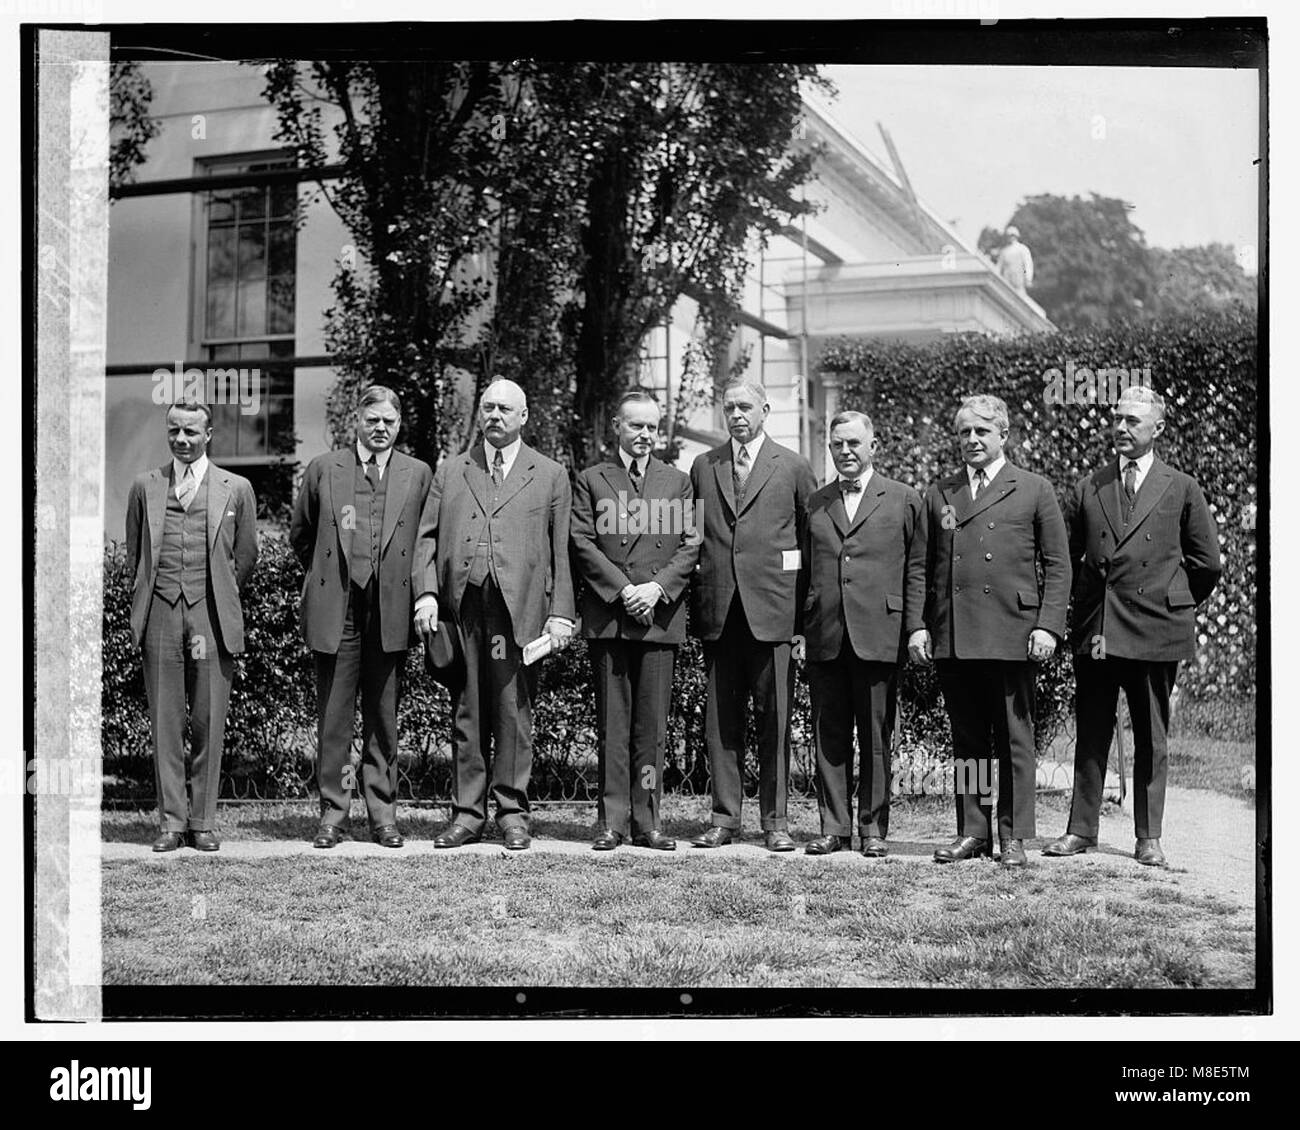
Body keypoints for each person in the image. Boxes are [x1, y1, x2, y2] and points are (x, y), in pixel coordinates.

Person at [1043, 387, 1221, 867]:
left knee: (1151, 735)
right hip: (1098, 630)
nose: (1121, 428)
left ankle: (1148, 836)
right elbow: (1070, 557)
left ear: (1157, 429)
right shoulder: (1089, 487)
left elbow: (1207, 563)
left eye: (1133, 422)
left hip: (1155, 630)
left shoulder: (1181, 487)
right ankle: (1081, 830)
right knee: (1092, 731)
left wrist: (1170, 602)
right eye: (1117, 418)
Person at [414, 378, 575, 851]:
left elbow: (562, 552)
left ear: (524, 416)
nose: (495, 416)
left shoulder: (549, 474)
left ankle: (512, 814)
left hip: (519, 611)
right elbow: (425, 538)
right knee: (467, 713)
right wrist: (426, 595)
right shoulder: (452, 470)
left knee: (512, 715)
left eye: (505, 409)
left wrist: (561, 614)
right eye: (488, 408)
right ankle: (467, 815)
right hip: (463, 608)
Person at [908, 394, 1070, 867]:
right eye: (964, 433)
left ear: (1003, 434)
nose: (972, 440)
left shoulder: (1033, 488)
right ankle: (973, 832)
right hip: (955, 634)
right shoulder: (940, 494)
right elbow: (922, 566)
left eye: (982, 431)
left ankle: (1014, 836)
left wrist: (1048, 627)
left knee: (1015, 737)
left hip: (1013, 632)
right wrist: (918, 627)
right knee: (969, 740)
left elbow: (1058, 565)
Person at [290, 385, 433, 850]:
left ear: (399, 424)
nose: (380, 429)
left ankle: (382, 815)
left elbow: (427, 539)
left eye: (389, 421)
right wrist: (328, 579)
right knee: (334, 717)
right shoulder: (323, 469)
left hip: (390, 608)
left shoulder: (418, 473)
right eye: (372, 420)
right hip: (339, 608)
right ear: (357, 419)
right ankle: (333, 813)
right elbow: (302, 535)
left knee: (383, 716)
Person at [125, 399, 258, 852]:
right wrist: (153, 596)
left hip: (211, 613)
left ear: (209, 435)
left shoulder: (236, 488)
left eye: (191, 432)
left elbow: (246, 556)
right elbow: (135, 555)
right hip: (161, 610)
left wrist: (214, 591)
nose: (182, 440)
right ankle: (170, 823)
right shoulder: (146, 485)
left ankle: (202, 821)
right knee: (165, 720)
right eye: (174, 431)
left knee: (207, 718)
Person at [570, 391, 701, 851]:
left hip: (658, 619)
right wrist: (624, 589)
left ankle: (647, 820)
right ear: (617, 426)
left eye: (651, 427)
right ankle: (611, 821)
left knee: (651, 727)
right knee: (613, 725)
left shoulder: (678, 482)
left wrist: (656, 589)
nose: (644, 435)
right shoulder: (591, 479)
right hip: (611, 617)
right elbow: (582, 541)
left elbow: (691, 545)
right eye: (635, 426)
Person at [689, 379, 816, 851]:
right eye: (729, 407)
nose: (736, 414)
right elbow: (691, 535)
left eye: (745, 406)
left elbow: (809, 541)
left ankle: (776, 822)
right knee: (721, 722)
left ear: (765, 410)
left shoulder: (795, 467)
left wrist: (802, 620)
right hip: (720, 611)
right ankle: (724, 818)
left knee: (775, 719)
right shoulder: (704, 465)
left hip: (774, 613)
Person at [801, 411, 926, 857]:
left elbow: (916, 568)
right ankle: (834, 827)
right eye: (838, 445)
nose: (846, 452)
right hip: (825, 633)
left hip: (880, 632)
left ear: (874, 446)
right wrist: (802, 628)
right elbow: (803, 569)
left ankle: (872, 829)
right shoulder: (815, 502)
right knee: (828, 735)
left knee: (875, 736)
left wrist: (915, 627)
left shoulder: (904, 498)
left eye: (854, 443)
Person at [996, 225, 1034, 294]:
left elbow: (1027, 265)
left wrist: (1027, 278)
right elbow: (999, 267)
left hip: (1019, 281)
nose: (1011, 237)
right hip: (1007, 281)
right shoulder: (1004, 252)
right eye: (1009, 236)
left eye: (1012, 235)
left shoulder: (1022, 249)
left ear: (1016, 236)